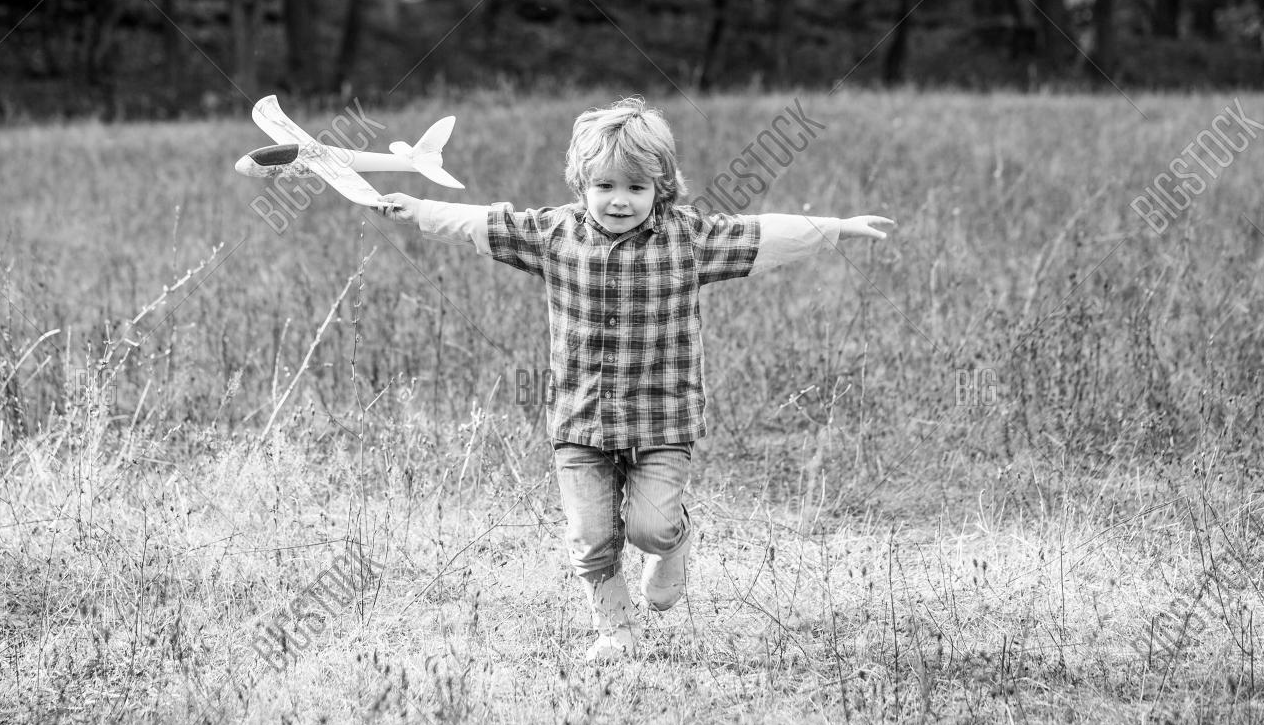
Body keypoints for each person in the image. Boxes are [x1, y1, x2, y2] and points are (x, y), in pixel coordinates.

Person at [374, 97, 893, 661]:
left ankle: (673, 543)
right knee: (591, 539)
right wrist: (418, 207)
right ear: (582, 184)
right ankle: (615, 632)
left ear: (661, 189)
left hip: (662, 417)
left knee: (649, 529)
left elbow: (762, 235)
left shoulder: (687, 239)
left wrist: (836, 227)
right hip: (580, 419)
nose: (620, 200)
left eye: (636, 188)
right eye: (605, 187)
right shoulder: (554, 234)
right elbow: (481, 222)